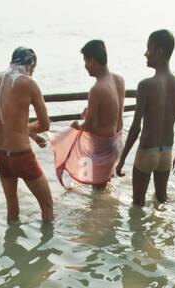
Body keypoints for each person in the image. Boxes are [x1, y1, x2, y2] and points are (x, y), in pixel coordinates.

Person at [117, 29, 175, 206]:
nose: (145, 54)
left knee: (138, 204)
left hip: (147, 151)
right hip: (167, 152)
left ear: (159, 51)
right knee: (162, 199)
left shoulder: (146, 85)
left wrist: (122, 159)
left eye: (149, 49)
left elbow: (136, 128)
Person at [0, 47, 54, 222]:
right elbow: (45, 124)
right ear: (30, 65)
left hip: (0, 153)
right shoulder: (28, 83)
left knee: (11, 204)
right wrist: (28, 131)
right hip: (21, 155)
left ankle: (12, 237)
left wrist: (29, 133)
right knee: (47, 206)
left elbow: (8, 122)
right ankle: (48, 239)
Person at [52, 40, 125, 188]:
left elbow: (89, 125)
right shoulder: (119, 79)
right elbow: (113, 111)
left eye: (85, 61)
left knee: (98, 191)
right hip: (116, 143)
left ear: (92, 60)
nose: (85, 66)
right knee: (106, 186)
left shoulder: (97, 89)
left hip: (101, 149)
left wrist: (77, 125)